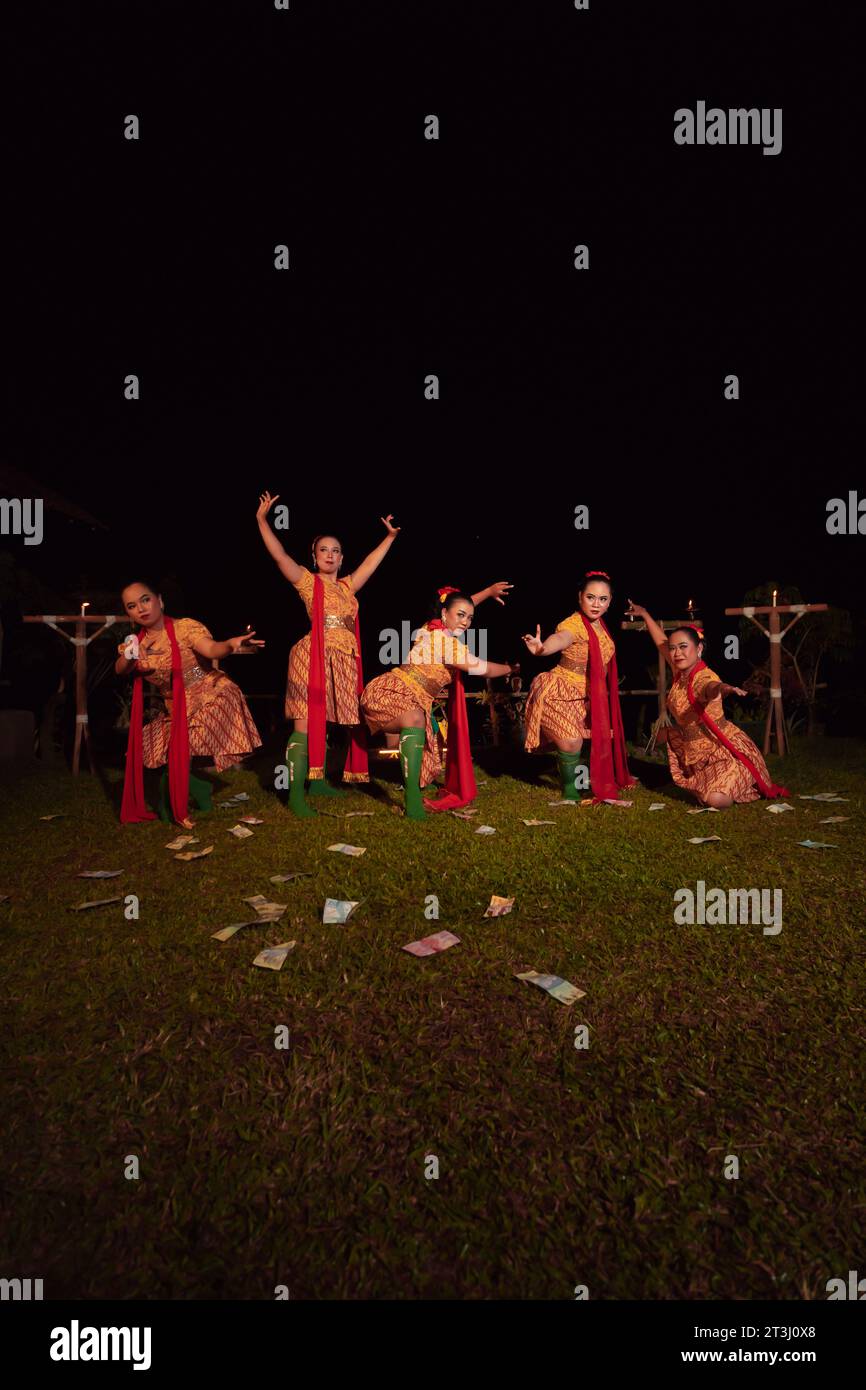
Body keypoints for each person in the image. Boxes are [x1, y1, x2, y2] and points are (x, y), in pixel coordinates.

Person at [256, 491, 399, 816]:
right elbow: (279, 556)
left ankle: (318, 780)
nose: (330, 555)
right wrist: (263, 521)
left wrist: (389, 537)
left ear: (341, 558)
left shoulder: (348, 586)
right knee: (306, 723)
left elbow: (370, 564)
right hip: (313, 656)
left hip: (345, 657)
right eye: (324, 550)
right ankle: (295, 795)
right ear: (314, 556)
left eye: (336, 551)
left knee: (341, 721)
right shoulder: (308, 582)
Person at [361, 586, 517, 819]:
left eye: (470, 618)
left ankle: (401, 762)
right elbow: (482, 668)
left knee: (415, 732)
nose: (465, 622)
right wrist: (510, 668)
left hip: (414, 700)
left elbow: (459, 604)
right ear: (444, 615)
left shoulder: (432, 628)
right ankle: (412, 799)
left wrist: (488, 592)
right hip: (391, 693)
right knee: (415, 719)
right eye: (460, 616)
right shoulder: (442, 641)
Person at [116, 581, 263, 826]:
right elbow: (120, 669)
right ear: (128, 613)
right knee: (155, 753)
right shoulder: (135, 645)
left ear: (159, 601)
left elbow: (212, 649)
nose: (141, 608)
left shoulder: (185, 628)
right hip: (175, 706)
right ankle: (200, 789)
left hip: (211, 694)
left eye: (145, 599)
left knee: (178, 750)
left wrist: (230, 644)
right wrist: (129, 656)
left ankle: (170, 807)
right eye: (132, 606)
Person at [625, 602, 788, 806]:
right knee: (705, 796)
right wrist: (645, 614)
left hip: (725, 752)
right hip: (696, 755)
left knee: (716, 800)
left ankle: (742, 780)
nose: (677, 653)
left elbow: (709, 687)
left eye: (683, 647)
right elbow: (660, 642)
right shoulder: (679, 671)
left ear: (699, 648)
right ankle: (708, 784)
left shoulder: (703, 676)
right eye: (673, 649)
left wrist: (723, 688)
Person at [522, 570, 635, 802]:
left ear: (610, 601)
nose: (596, 604)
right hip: (560, 689)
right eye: (590, 597)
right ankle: (569, 790)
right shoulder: (573, 623)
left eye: (602, 599)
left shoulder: (602, 627)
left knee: (580, 741)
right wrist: (542, 648)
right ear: (580, 597)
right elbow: (561, 638)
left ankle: (576, 777)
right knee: (572, 740)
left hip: (588, 693)